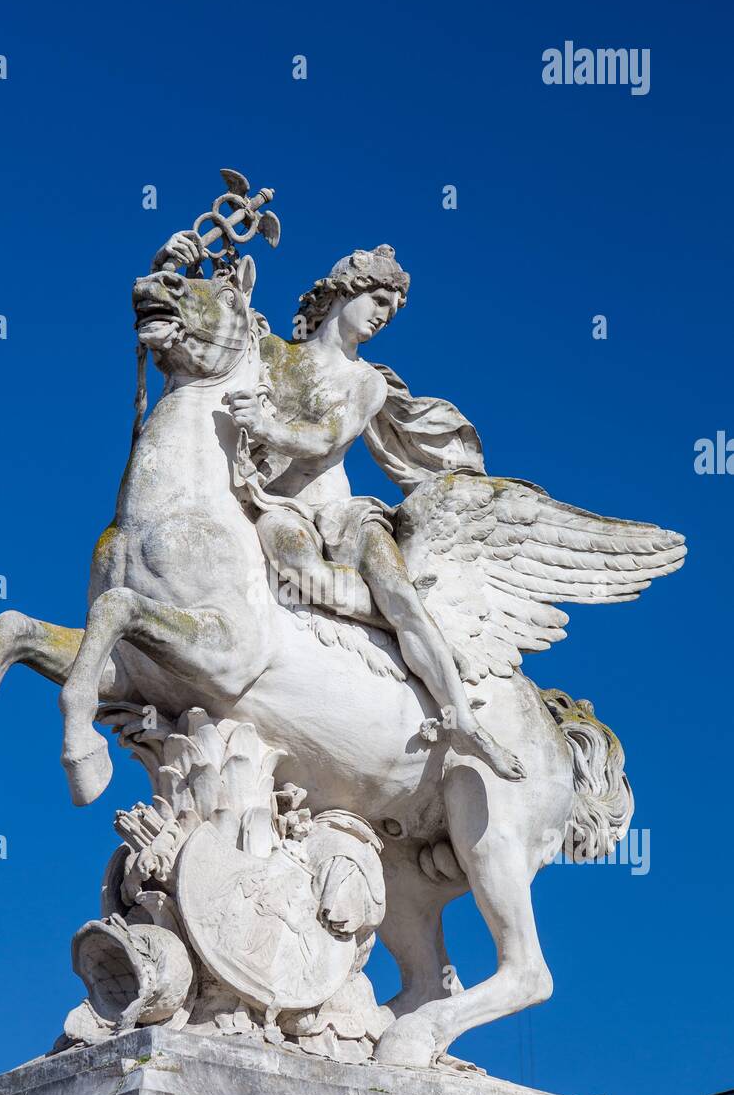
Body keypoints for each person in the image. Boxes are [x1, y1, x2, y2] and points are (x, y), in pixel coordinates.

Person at [162, 233, 524, 782]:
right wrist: (174, 267)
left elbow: (327, 440)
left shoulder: (366, 381)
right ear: (344, 292)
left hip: (343, 518)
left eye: (393, 310)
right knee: (296, 568)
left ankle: (461, 716)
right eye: (379, 301)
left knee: (399, 593)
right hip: (278, 508)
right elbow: (201, 332)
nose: (384, 317)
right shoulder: (274, 355)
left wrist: (265, 425)